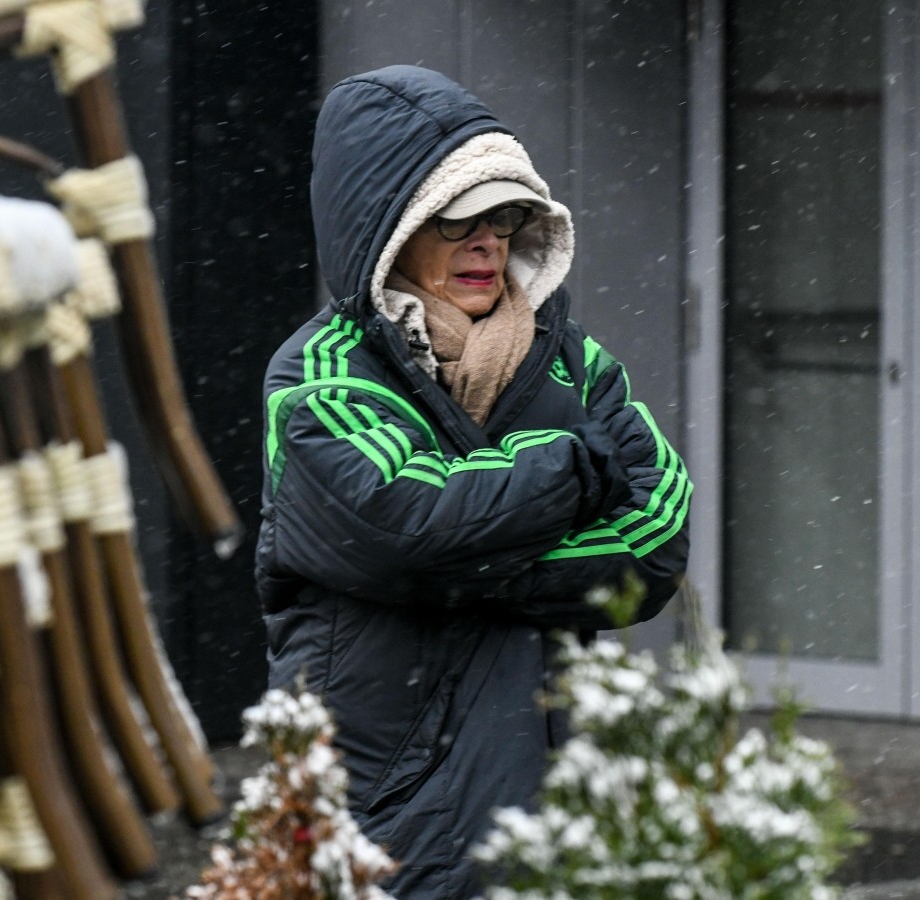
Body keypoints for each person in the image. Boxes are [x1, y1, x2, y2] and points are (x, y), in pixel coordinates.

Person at [256, 65, 691, 898]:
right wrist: (570, 473)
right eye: (457, 219)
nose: (488, 242)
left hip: (551, 801)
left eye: (505, 216)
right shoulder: (317, 377)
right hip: (374, 811)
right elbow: (406, 526)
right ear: (386, 229)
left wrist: (466, 561)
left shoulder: (575, 361)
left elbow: (658, 541)